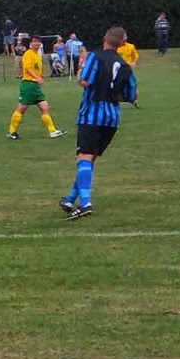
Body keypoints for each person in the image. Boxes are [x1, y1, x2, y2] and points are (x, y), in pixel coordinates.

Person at [61, 27, 138, 220]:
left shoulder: (96, 56)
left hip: (91, 115)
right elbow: (131, 95)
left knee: (84, 158)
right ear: (122, 43)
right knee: (89, 159)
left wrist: (80, 71)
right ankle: (70, 199)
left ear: (104, 38)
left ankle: (86, 203)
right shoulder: (125, 65)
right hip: (112, 118)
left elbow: (85, 81)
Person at [8, 37, 63, 140]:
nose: (37, 43)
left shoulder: (37, 55)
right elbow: (28, 68)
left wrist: (40, 78)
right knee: (22, 108)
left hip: (36, 86)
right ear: (30, 44)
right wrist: (38, 78)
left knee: (45, 107)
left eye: (38, 41)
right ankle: (12, 131)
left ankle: (52, 131)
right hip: (28, 84)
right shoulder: (28, 54)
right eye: (34, 41)